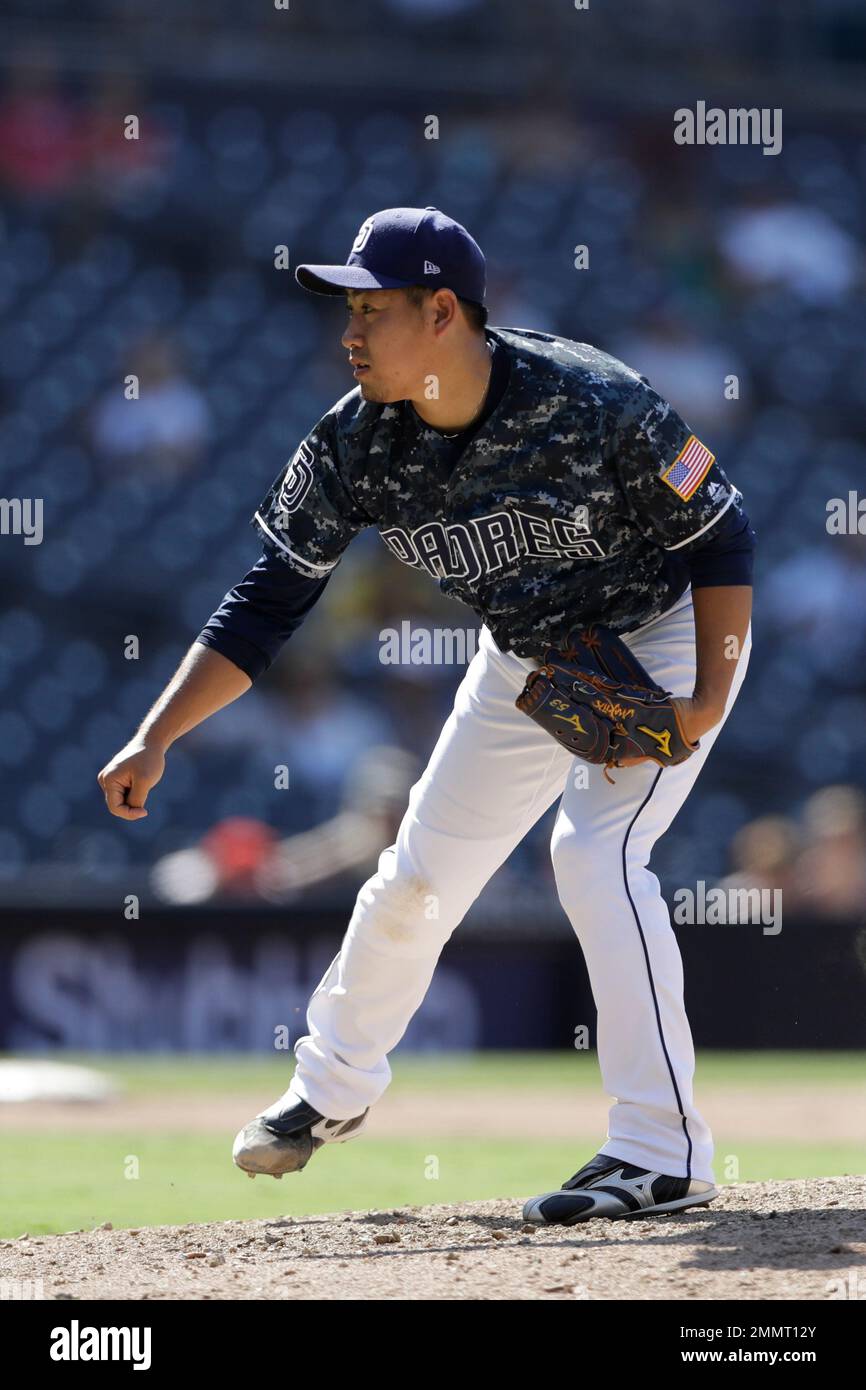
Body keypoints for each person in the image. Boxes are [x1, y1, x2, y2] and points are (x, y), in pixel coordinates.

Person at [97, 207, 755, 1226]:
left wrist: (704, 695)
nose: (348, 333)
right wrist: (158, 732)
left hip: (661, 636)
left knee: (593, 854)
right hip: (525, 654)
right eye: (346, 311)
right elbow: (267, 603)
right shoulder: (355, 443)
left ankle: (659, 1150)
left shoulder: (590, 401)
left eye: (372, 310)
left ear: (442, 310)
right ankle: (331, 1086)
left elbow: (721, 535)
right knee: (415, 875)